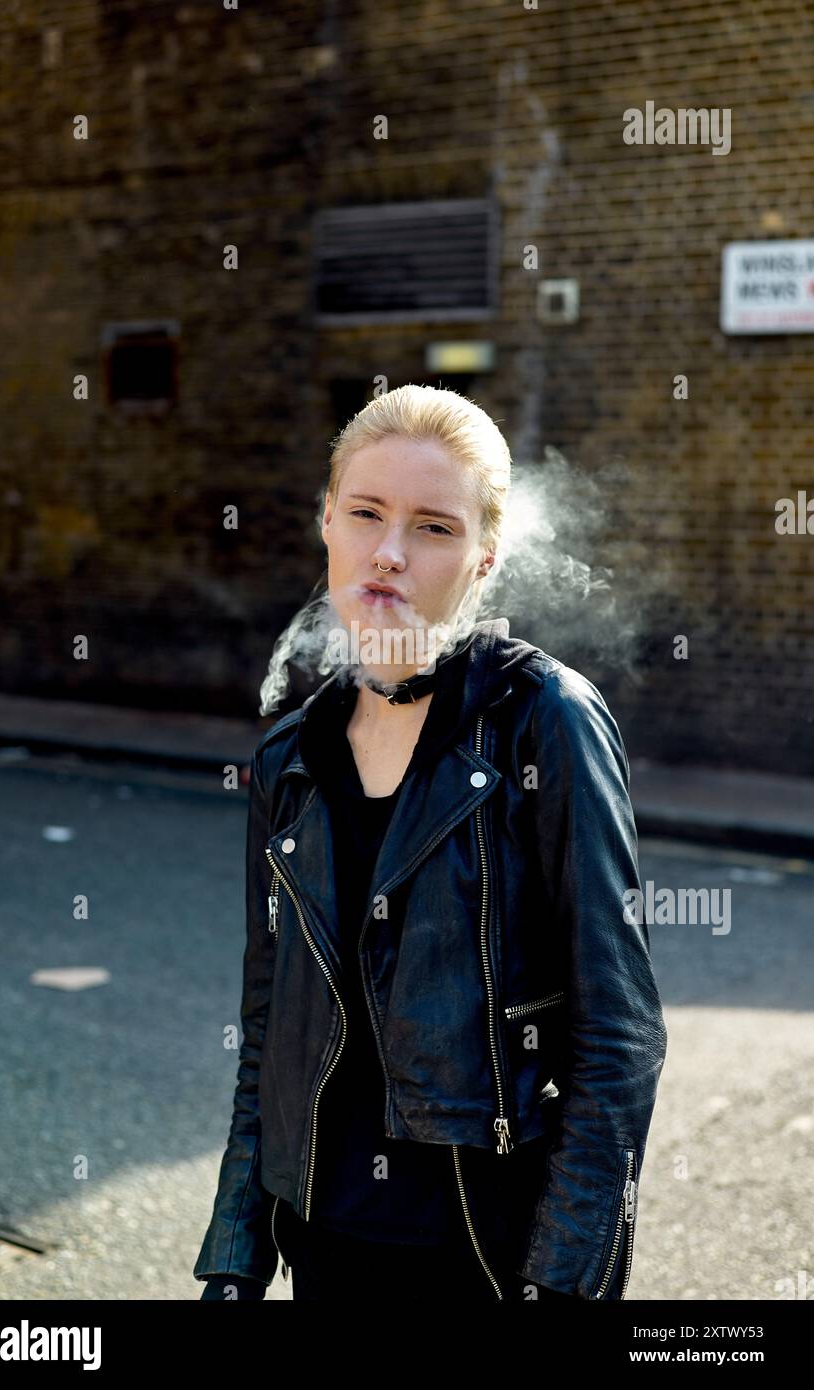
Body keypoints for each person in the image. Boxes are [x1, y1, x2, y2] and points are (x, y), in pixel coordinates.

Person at [193, 384, 668, 1302]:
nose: (391, 553)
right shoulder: (289, 758)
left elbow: (619, 1037)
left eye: (435, 528)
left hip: (486, 1256)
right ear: (327, 522)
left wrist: (562, 1281)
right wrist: (235, 1254)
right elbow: (269, 1034)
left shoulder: (543, 721)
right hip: (322, 1250)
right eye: (366, 513)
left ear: (484, 558)